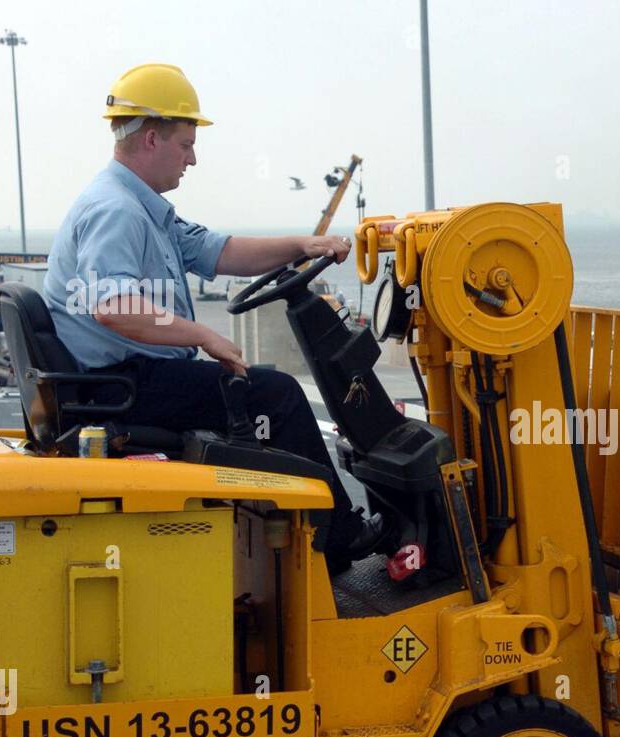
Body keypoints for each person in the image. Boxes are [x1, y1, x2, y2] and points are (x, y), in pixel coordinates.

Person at [42, 63, 381, 574]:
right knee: (279, 396)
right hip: (121, 386)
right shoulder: (117, 210)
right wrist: (203, 335)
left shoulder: (142, 206)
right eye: (186, 145)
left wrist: (301, 245)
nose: (192, 159)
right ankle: (338, 540)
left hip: (129, 379)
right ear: (151, 138)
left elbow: (219, 252)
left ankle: (308, 543)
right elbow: (112, 306)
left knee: (264, 392)